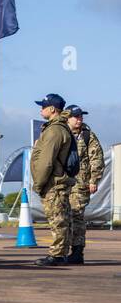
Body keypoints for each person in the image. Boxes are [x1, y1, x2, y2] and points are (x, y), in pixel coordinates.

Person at [30, 94, 77, 266]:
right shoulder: (57, 128)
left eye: (43, 106)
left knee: (57, 219)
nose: (40, 109)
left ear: (52, 109)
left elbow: (46, 161)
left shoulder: (54, 131)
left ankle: (57, 255)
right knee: (62, 218)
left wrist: (38, 183)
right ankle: (61, 253)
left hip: (53, 182)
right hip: (56, 181)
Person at [64, 105, 104, 264]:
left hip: (80, 184)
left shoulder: (87, 136)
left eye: (81, 116)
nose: (79, 119)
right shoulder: (61, 133)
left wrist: (94, 179)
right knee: (62, 217)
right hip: (62, 183)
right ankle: (61, 250)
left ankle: (77, 252)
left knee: (77, 216)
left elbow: (97, 159)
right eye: (76, 116)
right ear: (67, 117)